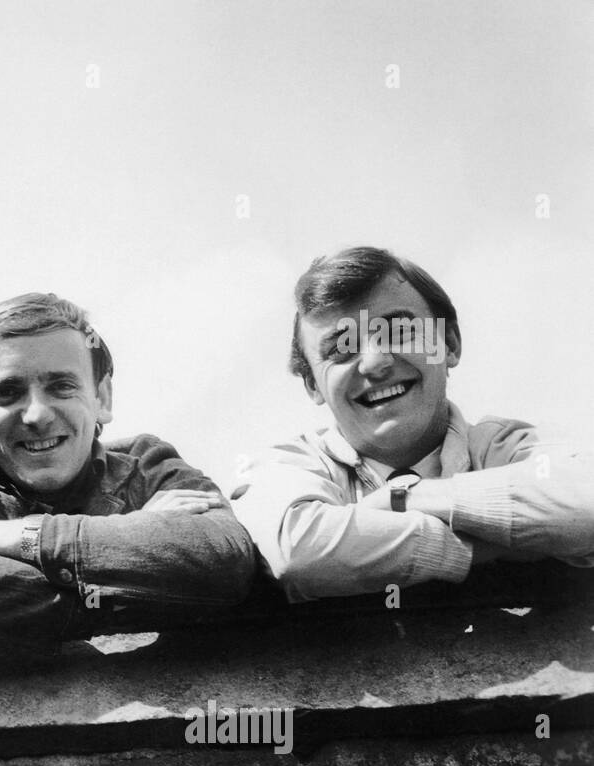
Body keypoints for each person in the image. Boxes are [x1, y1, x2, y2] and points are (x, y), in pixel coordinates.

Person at [0, 292, 256, 647]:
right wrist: (132, 566)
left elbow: (224, 560)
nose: (37, 415)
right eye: (7, 393)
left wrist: (17, 538)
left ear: (101, 397)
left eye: (61, 387)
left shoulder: (147, 464)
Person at [231, 245, 594, 601]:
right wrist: (483, 545)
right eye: (341, 349)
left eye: (399, 330)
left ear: (448, 343)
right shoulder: (288, 465)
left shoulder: (504, 445)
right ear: (313, 385)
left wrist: (403, 498)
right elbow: (302, 552)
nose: (375, 363)